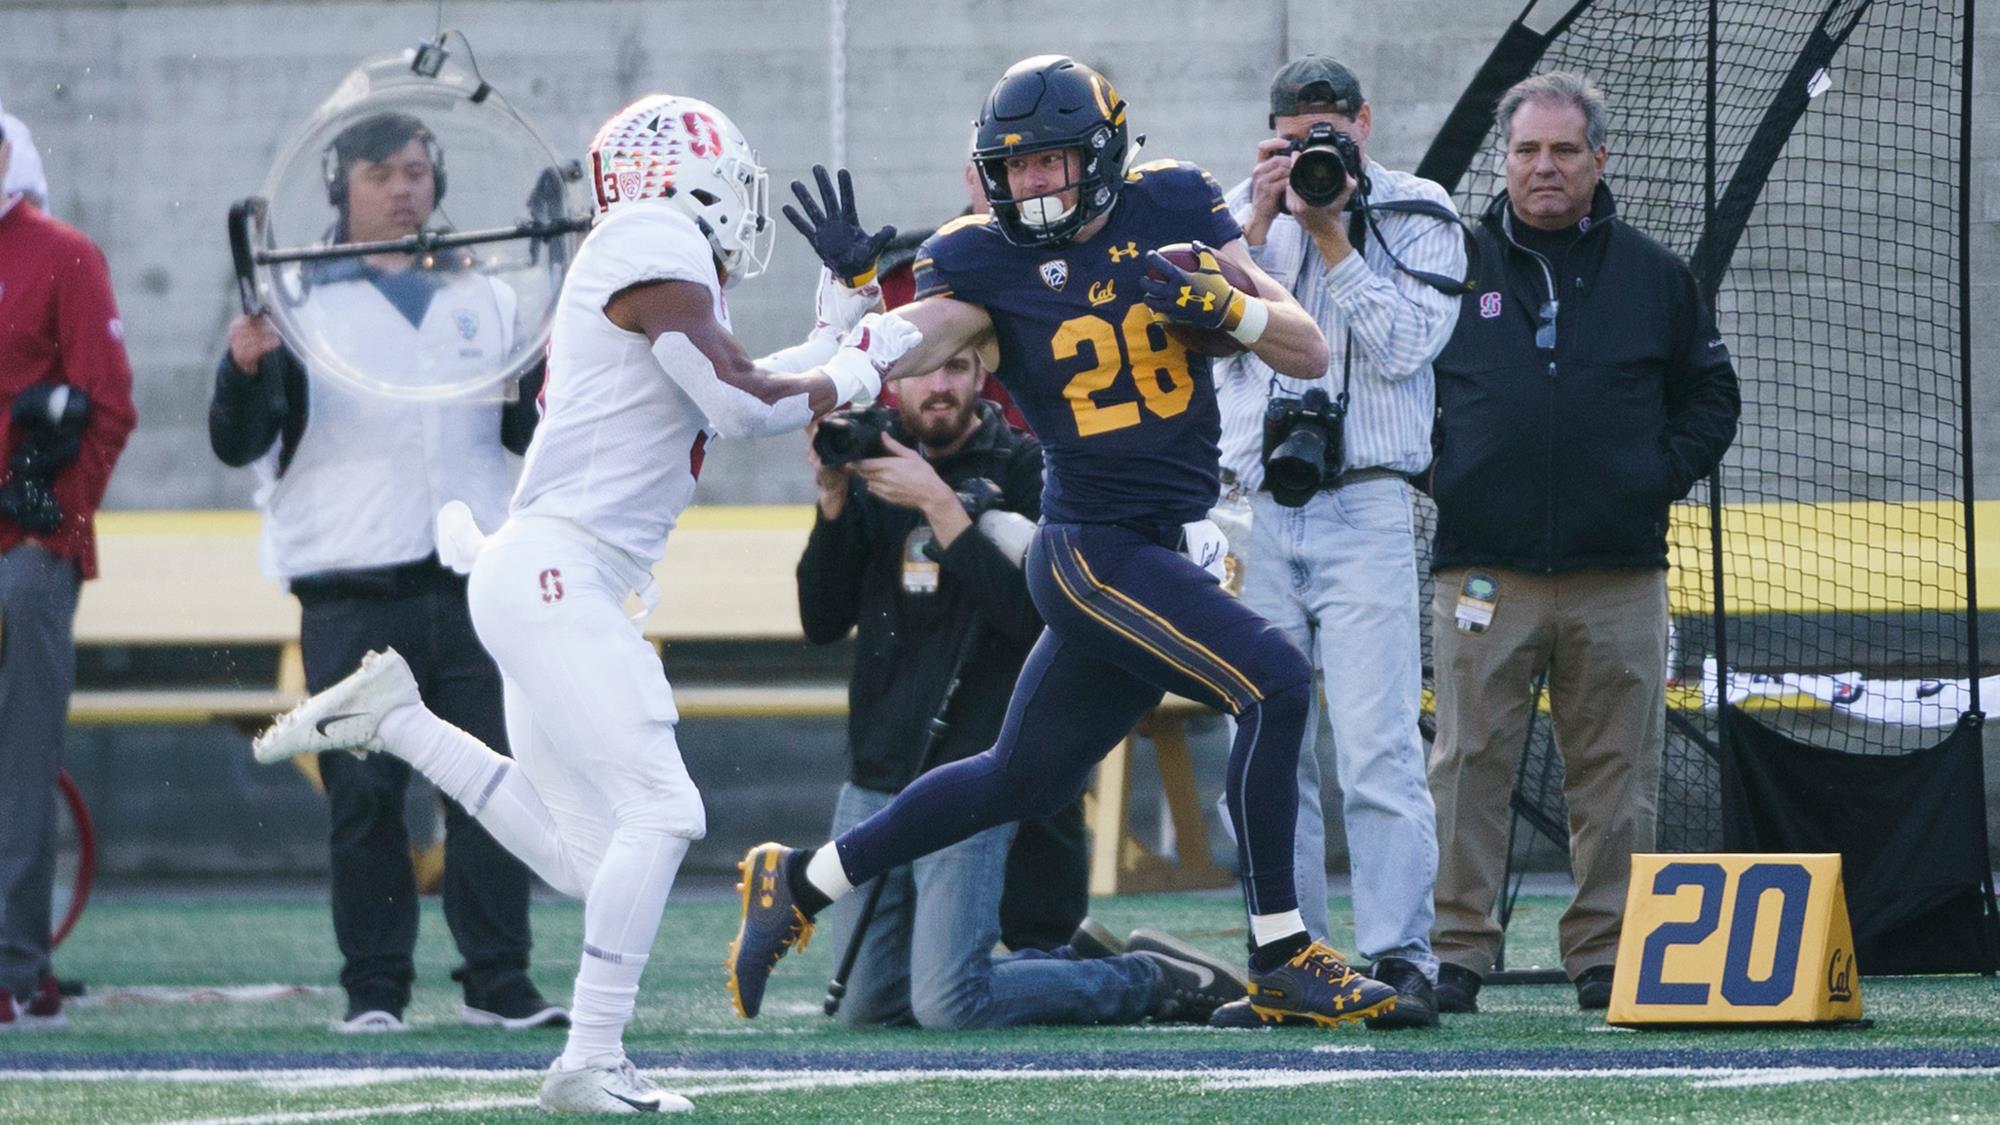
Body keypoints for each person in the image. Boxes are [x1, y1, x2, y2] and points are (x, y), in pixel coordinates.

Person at [251, 93, 912, 1114]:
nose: (743, 205)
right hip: (559, 572)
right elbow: (742, 404)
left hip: (542, 572)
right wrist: (863, 365)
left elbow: (740, 381)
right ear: (688, 177)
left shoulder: (650, 260)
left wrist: (841, 320)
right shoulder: (652, 240)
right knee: (666, 810)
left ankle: (399, 722)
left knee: (584, 853)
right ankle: (590, 1058)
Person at [726, 54, 1404, 1031]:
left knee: (1020, 777)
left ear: (1101, 154)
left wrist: (1235, 309)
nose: (1032, 182)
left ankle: (800, 881)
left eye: (1049, 160)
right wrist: (843, 321)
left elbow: (1306, 347)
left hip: (1158, 545)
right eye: (1014, 165)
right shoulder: (980, 258)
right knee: (1276, 681)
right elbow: (904, 342)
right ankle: (1282, 954)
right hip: (1091, 552)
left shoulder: (1172, 201)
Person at [212, 112, 561, 1035]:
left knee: (493, 781)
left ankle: (498, 979)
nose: (403, 190)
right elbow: (238, 440)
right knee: (365, 797)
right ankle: (374, 988)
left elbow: (526, 429)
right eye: (380, 175)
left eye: (415, 171)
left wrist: (554, 351)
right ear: (341, 187)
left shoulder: (483, 292)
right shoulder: (290, 298)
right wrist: (241, 370)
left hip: (469, 580)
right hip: (349, 584)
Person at [1425, 71, 1739, 1014]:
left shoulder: (1655, 275)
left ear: (1600, 159)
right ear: (1505, 159)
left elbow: (1712, 395)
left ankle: (1607, 952)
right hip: (1483, 572)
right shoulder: (1450, 266)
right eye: (1527, 150)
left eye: (1565, 150)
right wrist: (1448, 474)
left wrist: (1653, 475)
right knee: (1466, 763)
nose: (1545, 167)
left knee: (1616, 772)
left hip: (1619, 574)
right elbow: (1395, 386)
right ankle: (1456, 952)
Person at [803, 342, 1204, 1029]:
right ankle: (1063, 966)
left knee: (950, 1004)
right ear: (893, 384)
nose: (939, 386)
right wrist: (833, 500)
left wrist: (940, 507)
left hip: (971, 776)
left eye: (955, 369)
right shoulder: (872, 461)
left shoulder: (1029, 470)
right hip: (877, 770)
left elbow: (1034, 619)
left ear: (982, 375)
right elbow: (821, 621)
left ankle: (1145, 977)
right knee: (866, 1009)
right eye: (922, 372)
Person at [1207, 56, 1466, 1030]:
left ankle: (1401, 956)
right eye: (1294, 137)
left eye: (1330, 132)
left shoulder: (1419, 212)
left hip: (1364, 501)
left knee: (1376, 743)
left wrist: (1331, 232)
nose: (1314, 151)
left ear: (1364, 123)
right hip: (1253, 508)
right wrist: (1257, 228)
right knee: (1264, 744)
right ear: (1269, 136)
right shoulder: (1237, 216)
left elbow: (1404, 347)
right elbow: (1208, 346)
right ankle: (1288, 957)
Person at [0, 104, 138, 1031]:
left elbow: (110, 405)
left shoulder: (64, 254)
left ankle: (14, 966)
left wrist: (55, 523)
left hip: (24, 548)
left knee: (20, 764)